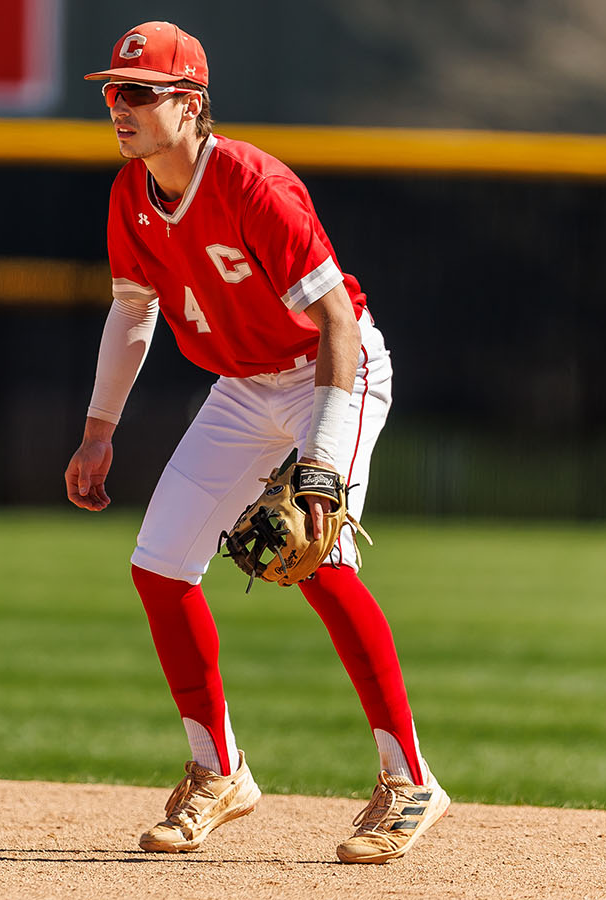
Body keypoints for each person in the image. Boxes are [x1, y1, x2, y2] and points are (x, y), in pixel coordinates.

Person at [63, 21, 448, 864]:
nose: (118, 108)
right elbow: (134, 310)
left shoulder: (251, 184)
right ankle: (218, 772)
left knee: (321, 561)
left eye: (138, 93)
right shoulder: (132, 194)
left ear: (190, 103)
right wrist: (99, 433)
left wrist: (320, 456)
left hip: (330, 373)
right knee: (159, 565)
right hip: (241, 387)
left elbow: (339, 324)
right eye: (111, 93)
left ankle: (410, 779)